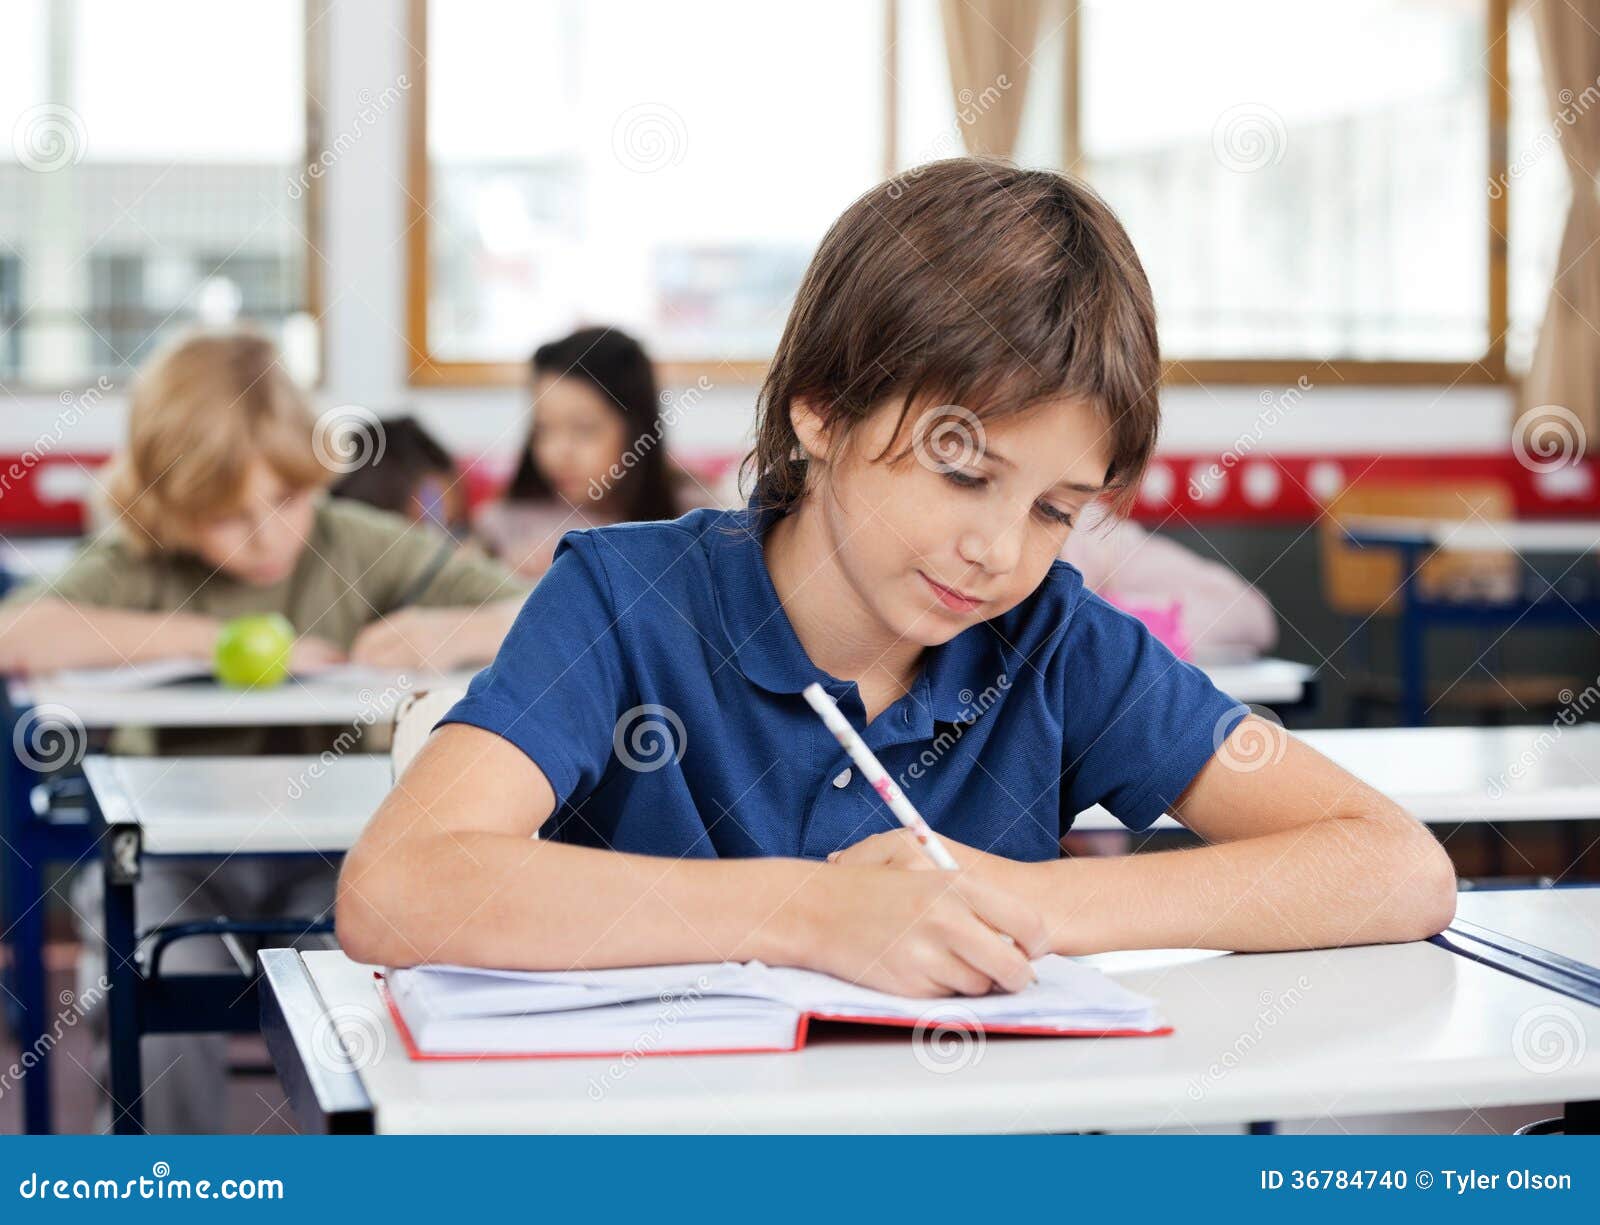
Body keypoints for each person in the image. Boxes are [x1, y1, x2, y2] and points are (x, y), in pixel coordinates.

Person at [339, 159, 1455, 1000]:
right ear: (816, 406)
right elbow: (397, 887)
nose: (999, 551)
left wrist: (1022, 899)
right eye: (961, 470)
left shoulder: (1054, 641)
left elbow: (1395, 865)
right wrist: (812, 911)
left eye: (1057, 509)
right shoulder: (623, 601)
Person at [0, 328, 529, 1131]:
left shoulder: (359, 541)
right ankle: (174, 1179)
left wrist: (443, 630)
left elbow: (551, 607)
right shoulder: (145, 559)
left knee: (376, 986)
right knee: (137, 973)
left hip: (341, 855)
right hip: (177, 860)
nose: (264, 535)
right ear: (173, 509)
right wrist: (199, 640)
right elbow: (17, 634)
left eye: (284, 500)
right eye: (225, 517)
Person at [474, 326, 712, 580]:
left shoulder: (696, 519)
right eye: (543, 429)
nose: (558, 452)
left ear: (639, 430)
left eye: (584, 429)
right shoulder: (506, 526)